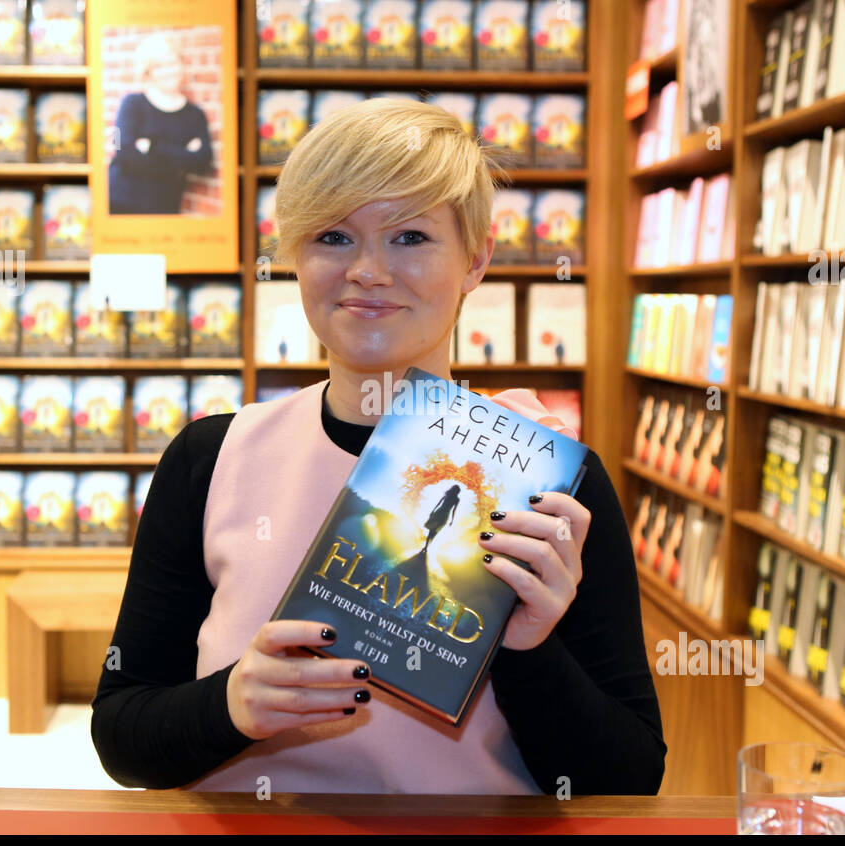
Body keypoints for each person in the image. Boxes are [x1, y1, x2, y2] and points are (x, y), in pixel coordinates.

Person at [91, 97, 666, 795]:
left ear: (477, 258)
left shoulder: (548, 481)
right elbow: (123, 736)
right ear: (295, 255)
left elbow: (628, 779)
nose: (367, 269)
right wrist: (231, 704)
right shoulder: (210, 459)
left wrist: (524, 647)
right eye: (333, 236)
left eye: (410, 237)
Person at [107, 31, 214, 215]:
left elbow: (203, 162)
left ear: (181, 65)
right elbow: (121, 151)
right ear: (148, 72)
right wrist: (183, 154)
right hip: (122, 209)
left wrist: (152, 147)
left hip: (166, 211)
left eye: (172, 63)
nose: (168, 71)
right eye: (159, 66)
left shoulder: (195, 115)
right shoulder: (130, 104)